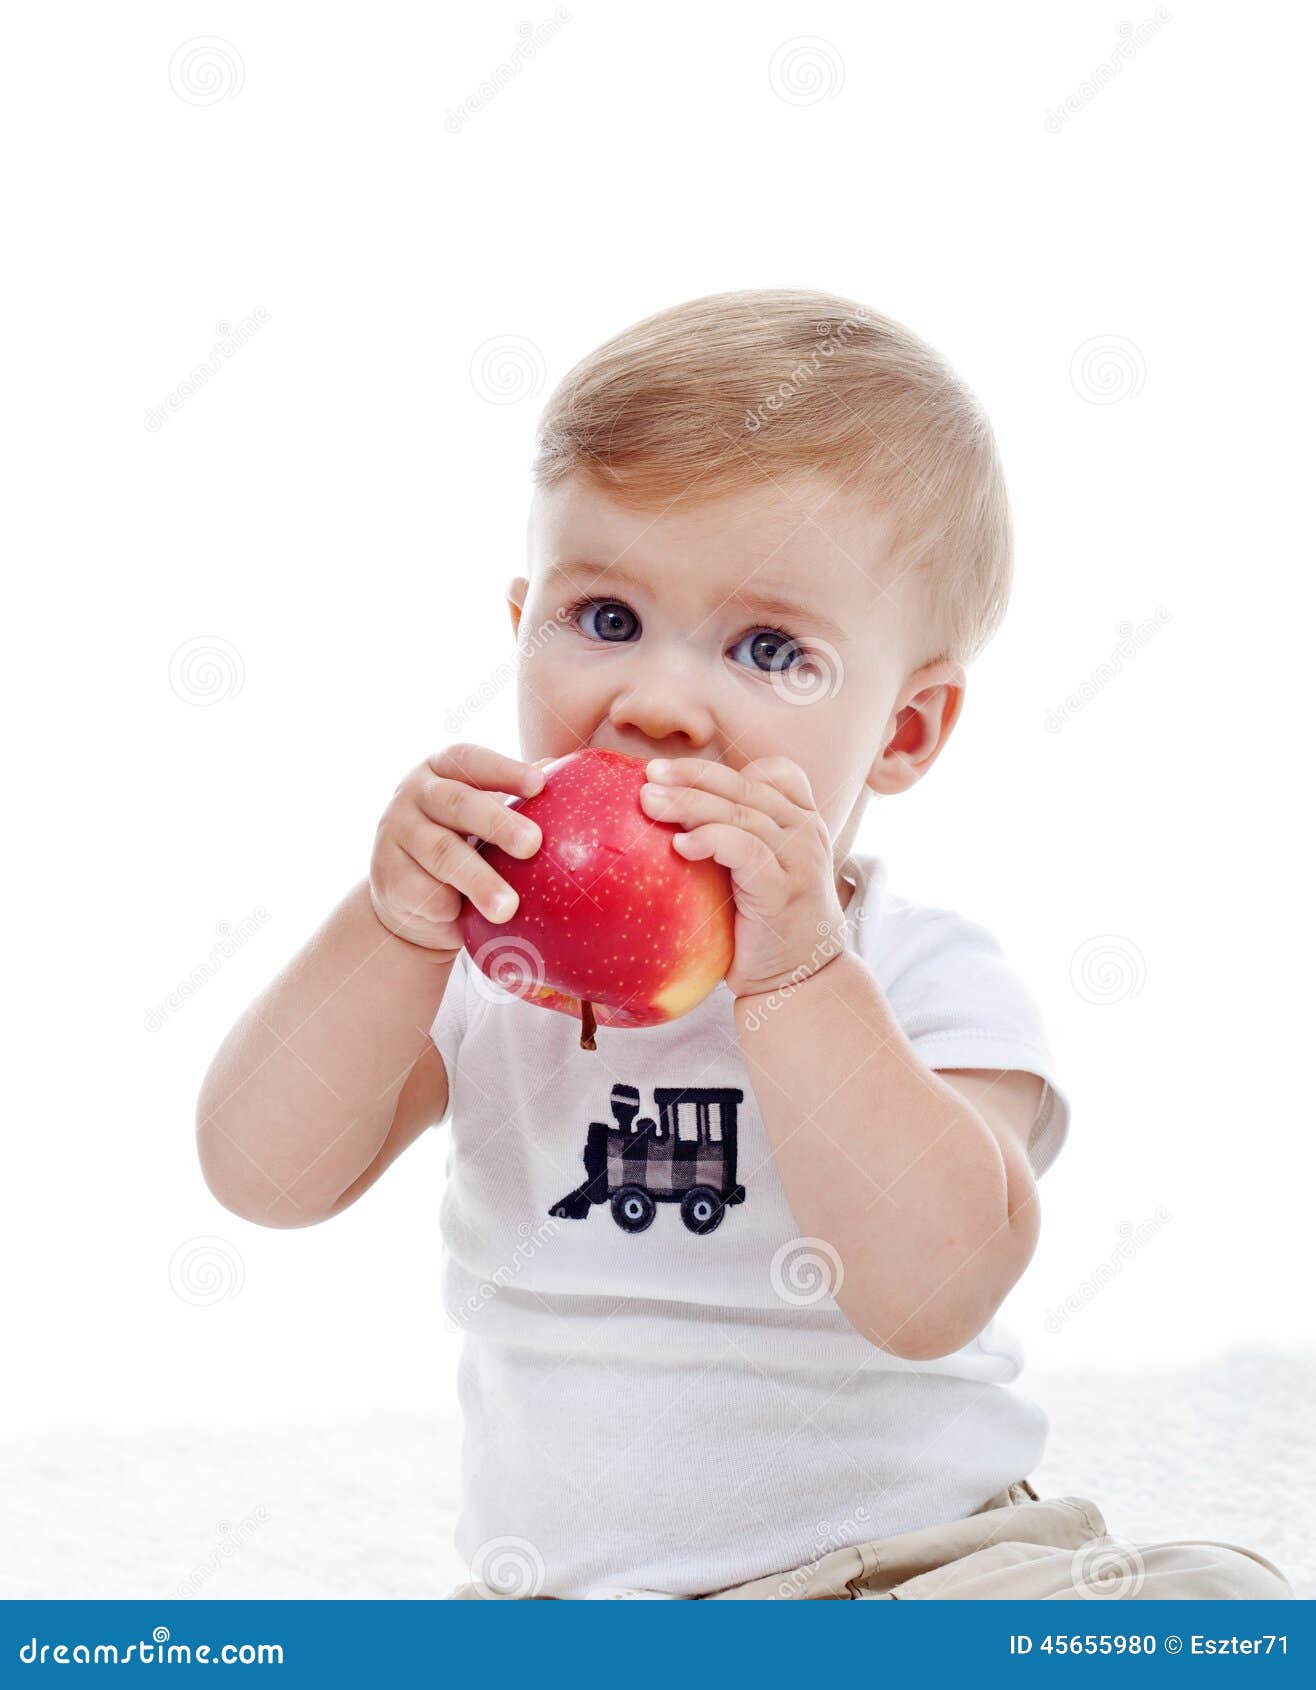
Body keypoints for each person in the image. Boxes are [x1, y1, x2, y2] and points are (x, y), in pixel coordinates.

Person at [196, 289, 1293, 1600]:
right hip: (573, 1608)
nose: (657, 702)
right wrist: (385, 928)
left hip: (908, 1575)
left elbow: (931, 1291)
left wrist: (801, 977)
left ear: (906, 730)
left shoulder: (924, 971)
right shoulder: (486, 967)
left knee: (1209, 1610)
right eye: (605, 618)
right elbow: (261, 1172)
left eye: (769, 647)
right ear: (522, 623)